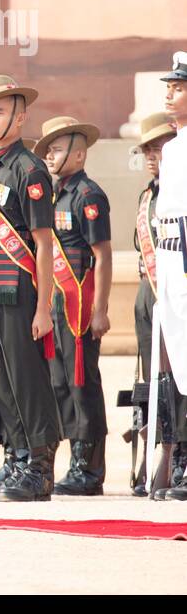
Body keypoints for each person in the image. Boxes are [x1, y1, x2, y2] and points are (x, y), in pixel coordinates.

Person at [0, 75, 61, 502]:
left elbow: (44, 243)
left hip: (21, 290)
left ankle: (40, 465)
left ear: (21, 116)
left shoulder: (30, 169)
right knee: (2, 380)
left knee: (27, 378)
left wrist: (44, 306)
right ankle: (19, 455)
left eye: (1, 111)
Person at [35, 116, 112, 496]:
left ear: (78, 153)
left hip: (79, 307)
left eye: (57, 147)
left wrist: (100, 309)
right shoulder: (50, 194)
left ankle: (89, 466)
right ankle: (70, 457)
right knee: (59, 383)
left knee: (82, 384)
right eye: (47, 149)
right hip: (54, 307)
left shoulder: (88, 195)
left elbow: (103, 255)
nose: (49, 154)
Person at [131, 112, 180, 494]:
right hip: (149, 293)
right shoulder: (148, 195)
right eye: (146, 149)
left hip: (173, 288)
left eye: (157, 147)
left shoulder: (175, 193)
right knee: (156, 380)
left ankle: (177, 452)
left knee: (178, 374)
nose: (150, 156)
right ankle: (165, 448)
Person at [150, 53, 187, 500]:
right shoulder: (172, 149)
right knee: (179, 365)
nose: (169, 93)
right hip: (170, 264)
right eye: (170, 86)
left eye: (178, 87)